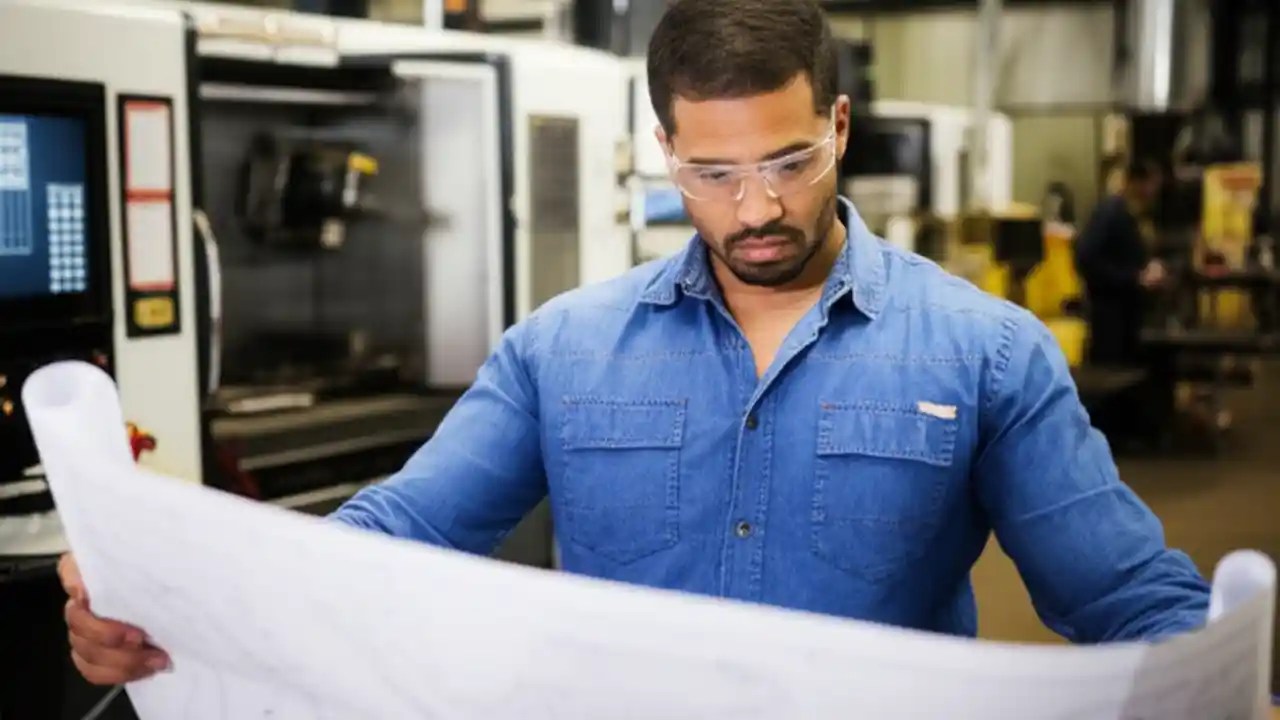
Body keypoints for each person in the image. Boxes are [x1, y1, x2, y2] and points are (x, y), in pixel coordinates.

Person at [61, 0, 1210, 686]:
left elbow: (1122, 593)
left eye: (788, 162)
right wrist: (166, 592)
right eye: (712, 174)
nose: (754, 207)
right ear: (663, 149)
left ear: (840, 126)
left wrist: (1228, 676)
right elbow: (391, 537)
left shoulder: (982, 353)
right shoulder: (562, 352)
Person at [1074, 158, 1166, 366]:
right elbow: (1086, 259)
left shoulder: (1134, 215)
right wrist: (1135, 278)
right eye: (1152, 184)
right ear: (1137, 183)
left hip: (1129, 315)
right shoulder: (1110, 214)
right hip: (1109, 317)